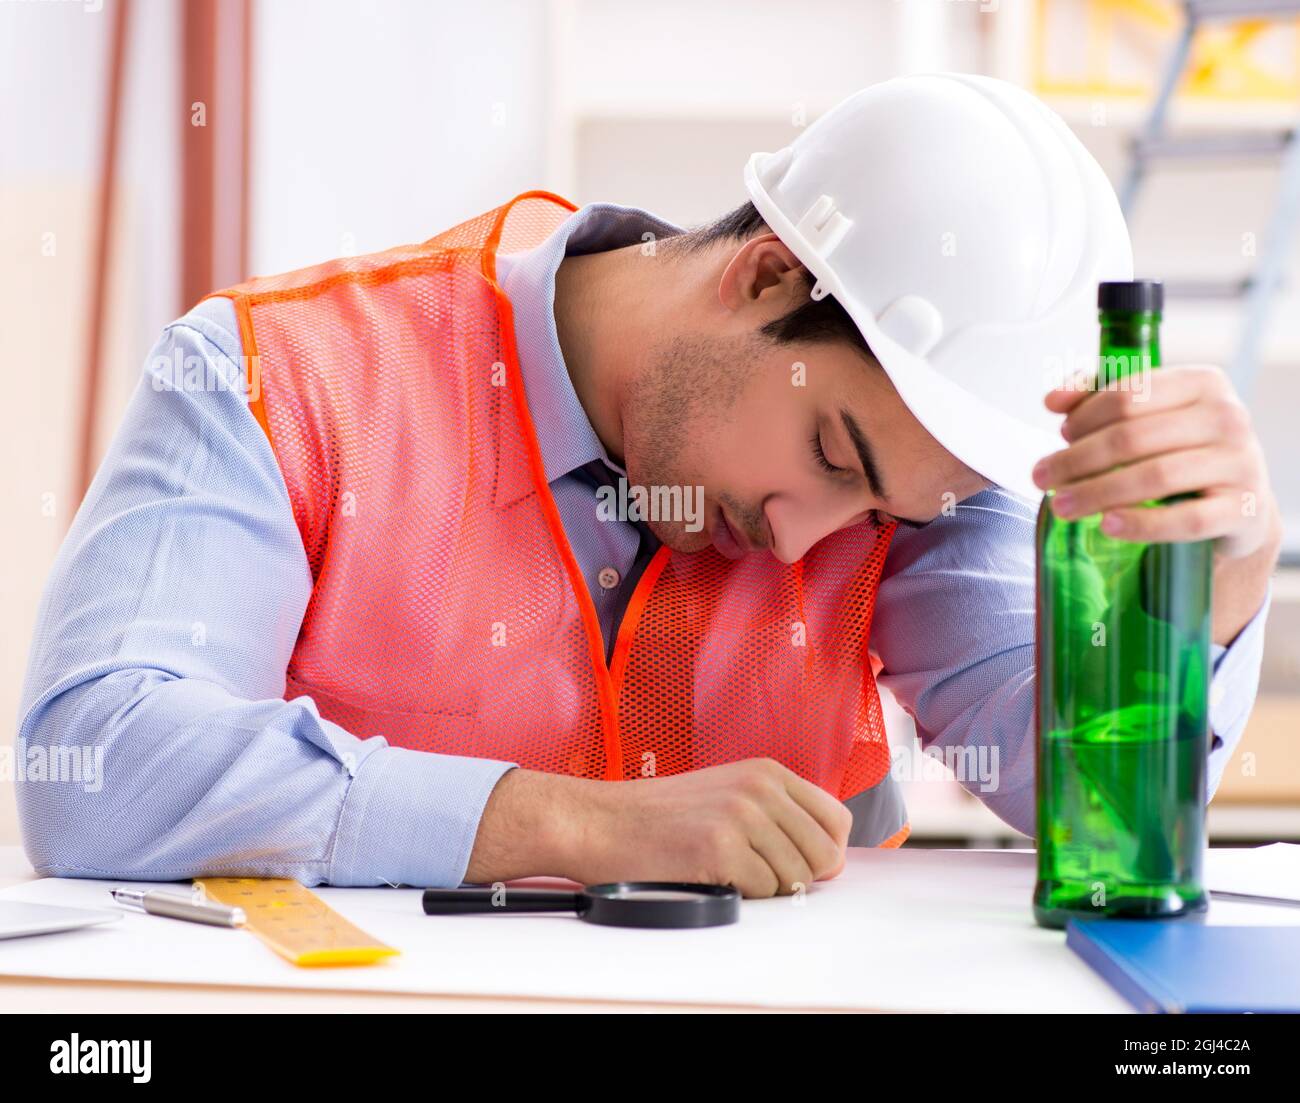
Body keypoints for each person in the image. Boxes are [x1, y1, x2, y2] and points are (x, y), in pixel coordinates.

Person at [17, 75, 1277, 898]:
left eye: (887, 515)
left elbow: (1084, 803)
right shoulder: (278, 373)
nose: (809, 545)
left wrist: (1208, 589)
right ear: (770, 276)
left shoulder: (915, 460)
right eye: (832, 459)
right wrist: (573, 825)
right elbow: (95, 756)